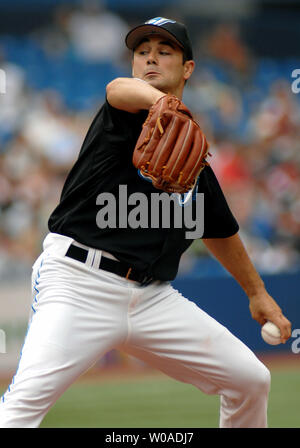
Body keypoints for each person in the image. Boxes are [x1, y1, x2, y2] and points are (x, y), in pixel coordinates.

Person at [0, 17, 291, 428]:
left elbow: (219, 230)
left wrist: (258, 293)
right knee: (19, 410)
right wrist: (160, 105)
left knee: (251, 380)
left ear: (188, 68)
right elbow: (116, 89)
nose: (151, 58)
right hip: (79, 284)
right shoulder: (123, 113)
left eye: (165, 51)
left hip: (153, 299)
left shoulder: (191, 151)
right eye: (142, 52)